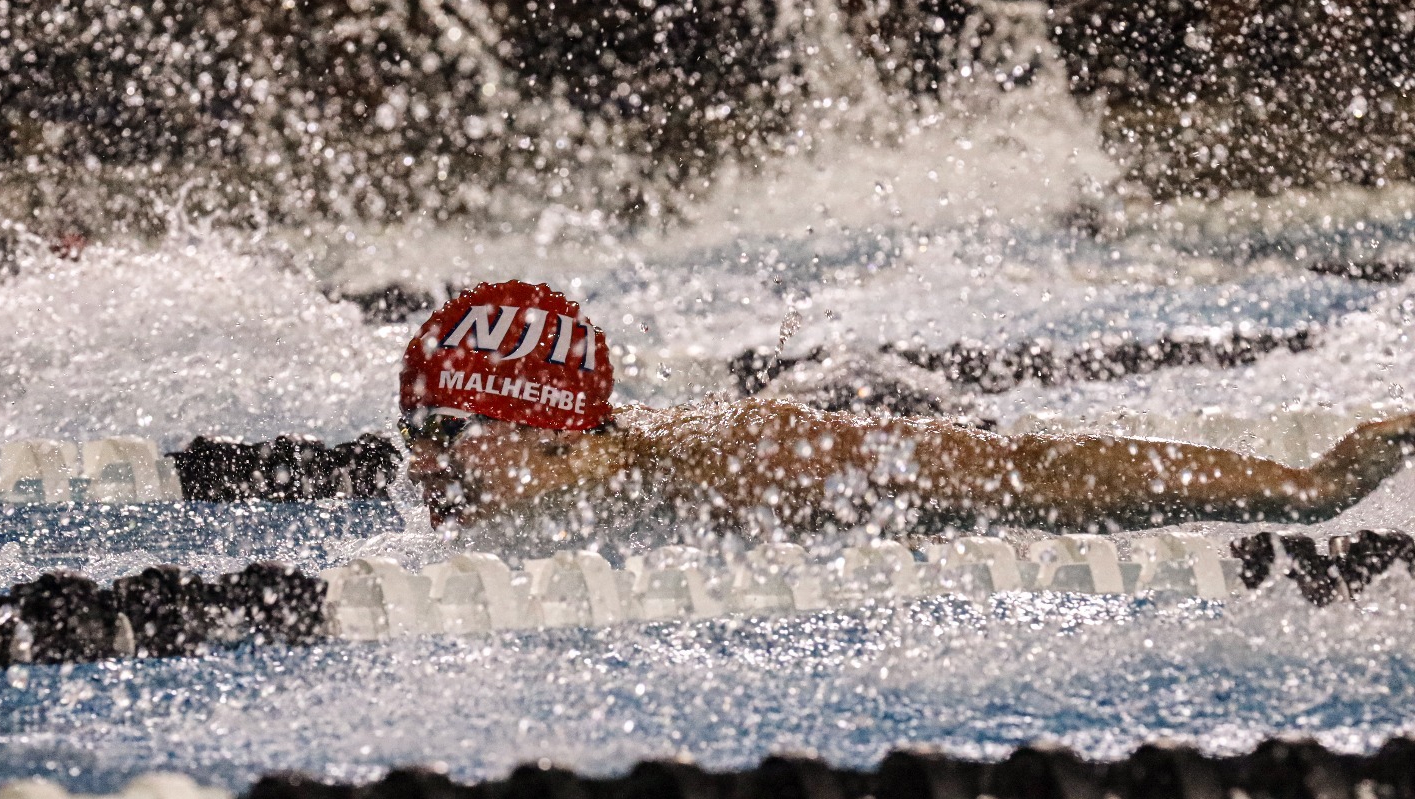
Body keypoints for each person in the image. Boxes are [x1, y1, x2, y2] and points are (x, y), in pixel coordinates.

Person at [398, 281, 1415, 535]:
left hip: (877, 405)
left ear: (548, 435)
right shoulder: (551, 496)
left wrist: (1304, 488)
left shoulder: (744, 465)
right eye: (413, 435)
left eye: (445, 437)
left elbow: (1032, 477)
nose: (419, 471)